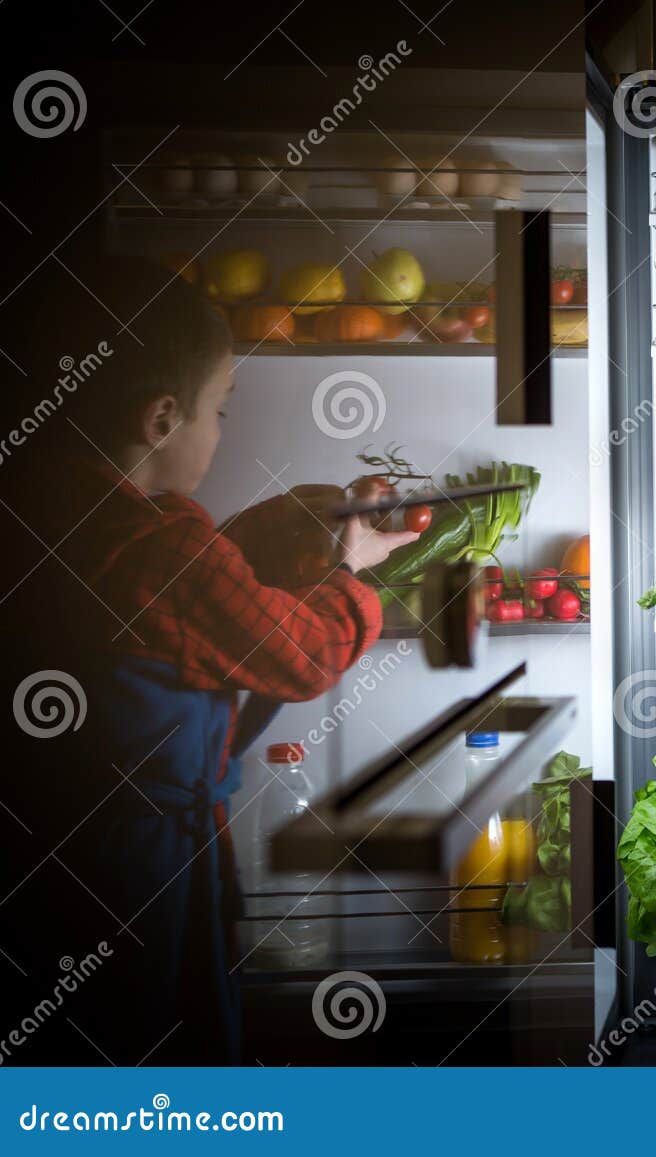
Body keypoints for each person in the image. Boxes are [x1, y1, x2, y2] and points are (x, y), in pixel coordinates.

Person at [0, 258, 416, 1064]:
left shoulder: (43, 502)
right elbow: (306, 654)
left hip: (41, 851)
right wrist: (351, 568)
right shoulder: (162, 548)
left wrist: (280, 533)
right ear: (162, 418)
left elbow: (180, 619)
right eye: (219, 410)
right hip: (136, 866)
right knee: (148, 1049)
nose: (221, 431)